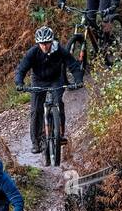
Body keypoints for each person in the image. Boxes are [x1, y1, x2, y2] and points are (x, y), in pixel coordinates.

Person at [15, 26, 84, 155]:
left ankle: (61, 134)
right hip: (38, 80)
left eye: (47, 43)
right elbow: (21, 69)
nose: (45, 46)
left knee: (59, 103)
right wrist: (19, 83)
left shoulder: (59, 50)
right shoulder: (33, 52)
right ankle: (35, 142)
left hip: (55, 80)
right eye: (42, 43)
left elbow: (73, 65)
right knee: (36, 110)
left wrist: (78, 80)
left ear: (51, 41)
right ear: (38, 43)